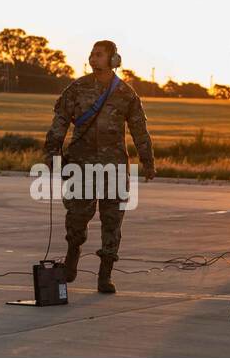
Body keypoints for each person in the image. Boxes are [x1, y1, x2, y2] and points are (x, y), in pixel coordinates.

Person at [43, 40, 154, 294]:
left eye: (99, 55)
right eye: (92, 54)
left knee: (112, 220)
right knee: (77, 216)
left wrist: (148, 161)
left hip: (114, 167)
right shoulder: (77, 89)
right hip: (81, 165)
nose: (93, 58)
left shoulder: (126, 94)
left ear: (114, 60)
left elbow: (140, 130)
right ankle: (73, 255)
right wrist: (52, 151)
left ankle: (105, 275)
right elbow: (60, 121)